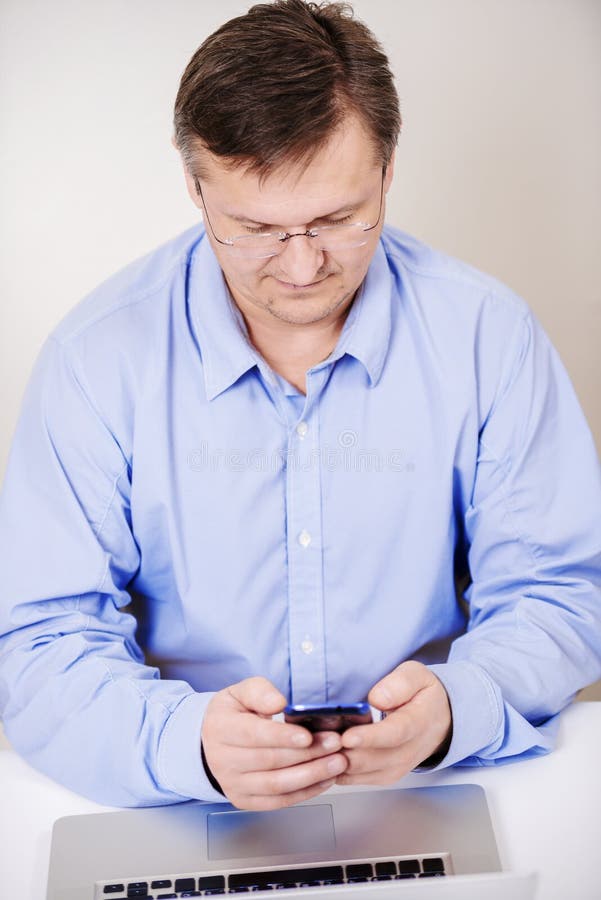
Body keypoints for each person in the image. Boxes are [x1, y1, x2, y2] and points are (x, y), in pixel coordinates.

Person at [0, 0, 600, 812]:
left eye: (338, 220)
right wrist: (188, 745)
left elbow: (559, 593)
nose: (301, 266)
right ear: (194, 186)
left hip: (431, 787)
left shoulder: (488, 336)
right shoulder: (95, 360)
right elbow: (40, 643)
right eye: (253, 228)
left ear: (387, 171)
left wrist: (457, 707)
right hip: (183, 802)